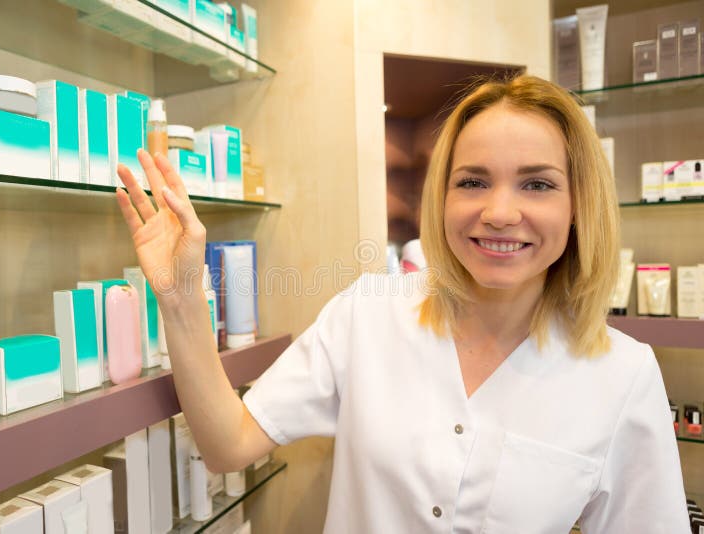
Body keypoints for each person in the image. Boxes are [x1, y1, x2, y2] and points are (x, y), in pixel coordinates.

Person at [114, 75, 687, 533]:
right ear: (442, 197)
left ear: (578, 204)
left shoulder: (621, 376)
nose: (500, 212)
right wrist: (182, 296)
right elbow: (227, 443)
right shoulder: (368, 313)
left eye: (536, 184)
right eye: (472, 181)